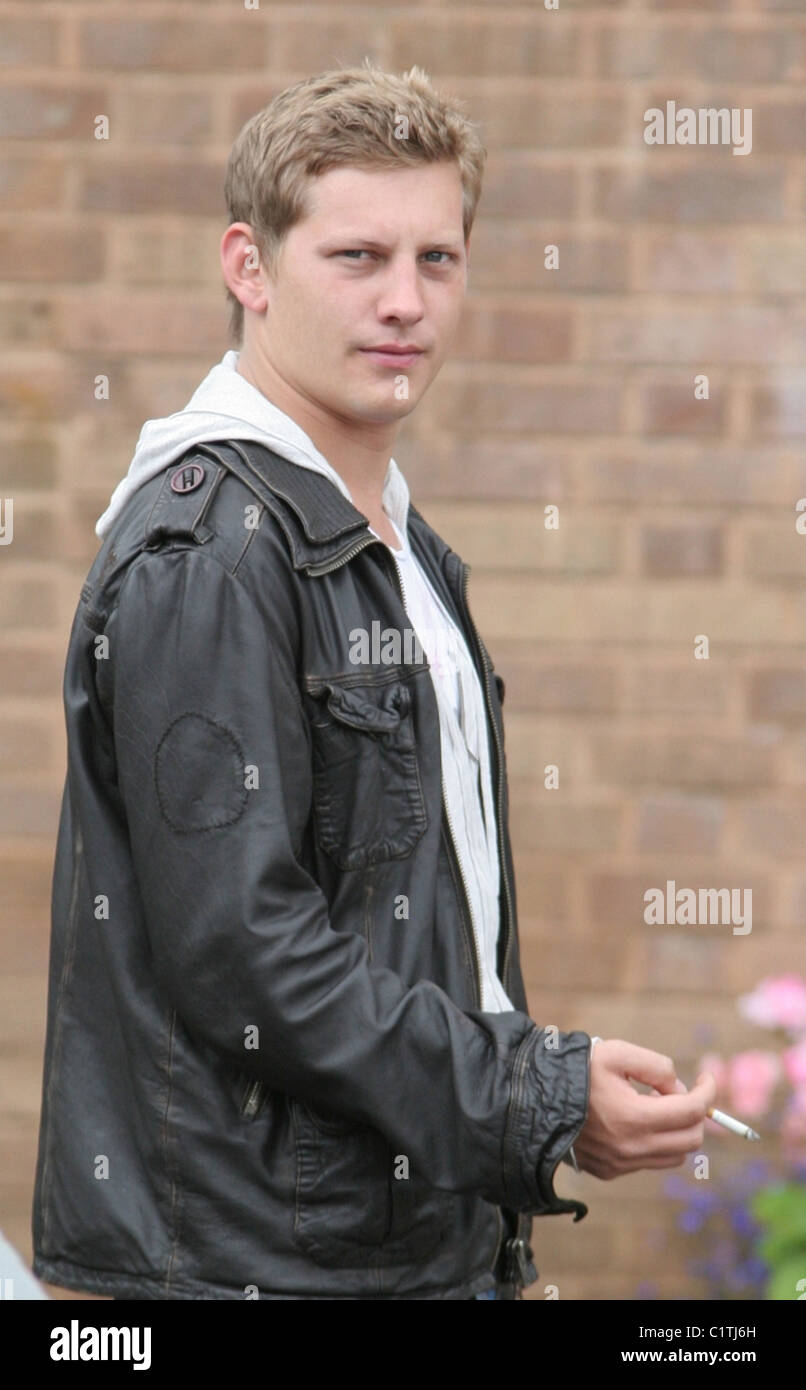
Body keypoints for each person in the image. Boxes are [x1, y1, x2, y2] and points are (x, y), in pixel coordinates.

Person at [31, 61, 716, 1302]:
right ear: (248, 267)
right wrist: (534, 1096)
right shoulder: (213, 555)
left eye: (436, 259)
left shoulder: (387, 547)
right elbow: (244, 950)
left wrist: (525, 1117)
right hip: (260, 1269)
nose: (404, 301)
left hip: (397, 1249)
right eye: (356, 257)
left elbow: (407, 928)